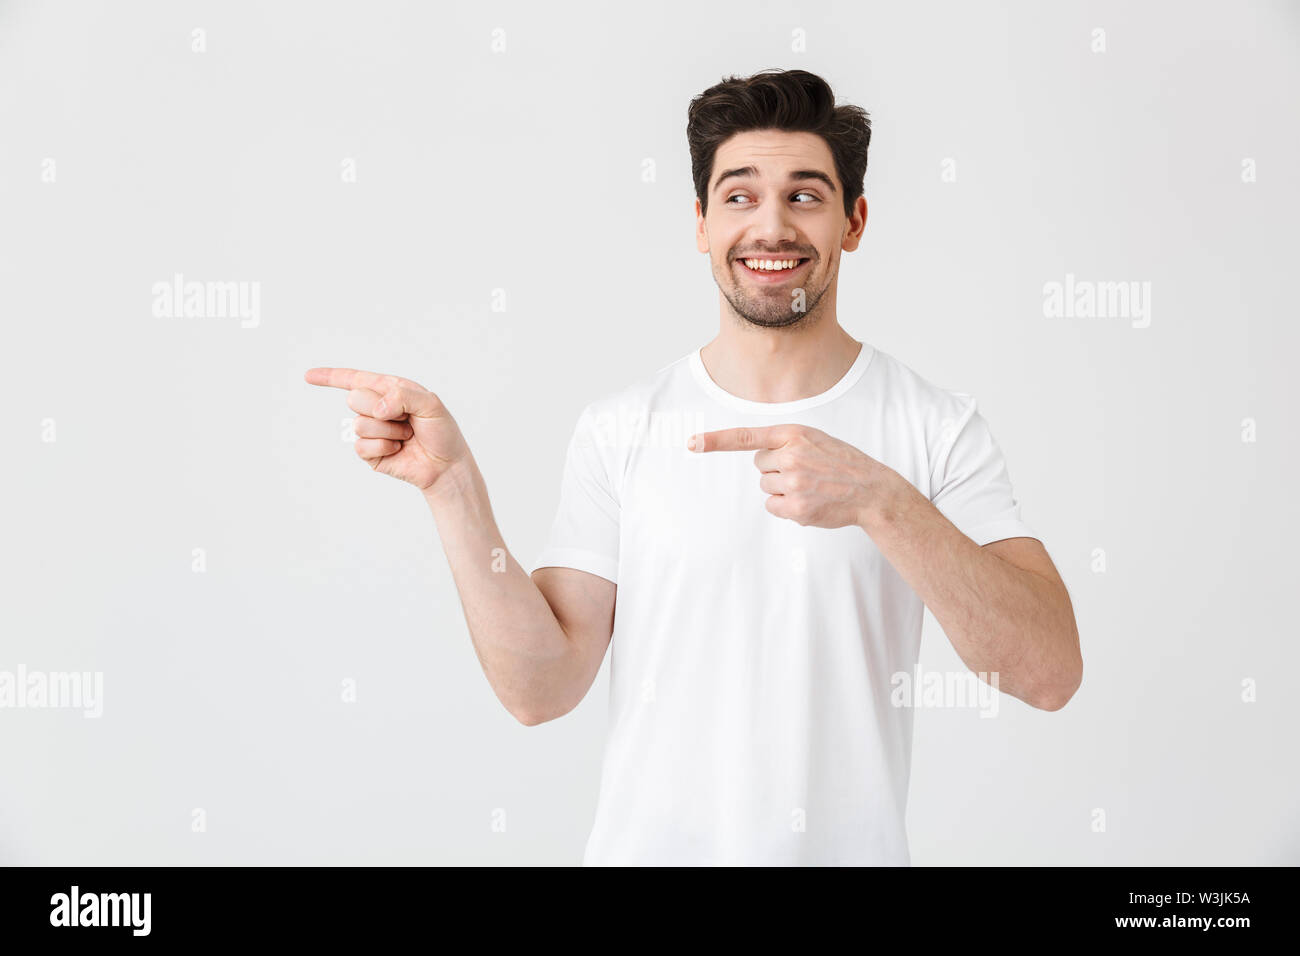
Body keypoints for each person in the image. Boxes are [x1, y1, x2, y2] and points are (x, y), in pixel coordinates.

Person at [305, 68, 1082, 866]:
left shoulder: (936, 426)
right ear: (702, 224)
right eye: (739, 197)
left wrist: (882, 501)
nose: (771, 227)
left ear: (854, 221)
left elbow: (1049, 672)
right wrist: (451, 486)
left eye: (806, 196)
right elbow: (541, 690)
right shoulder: (622, 428)